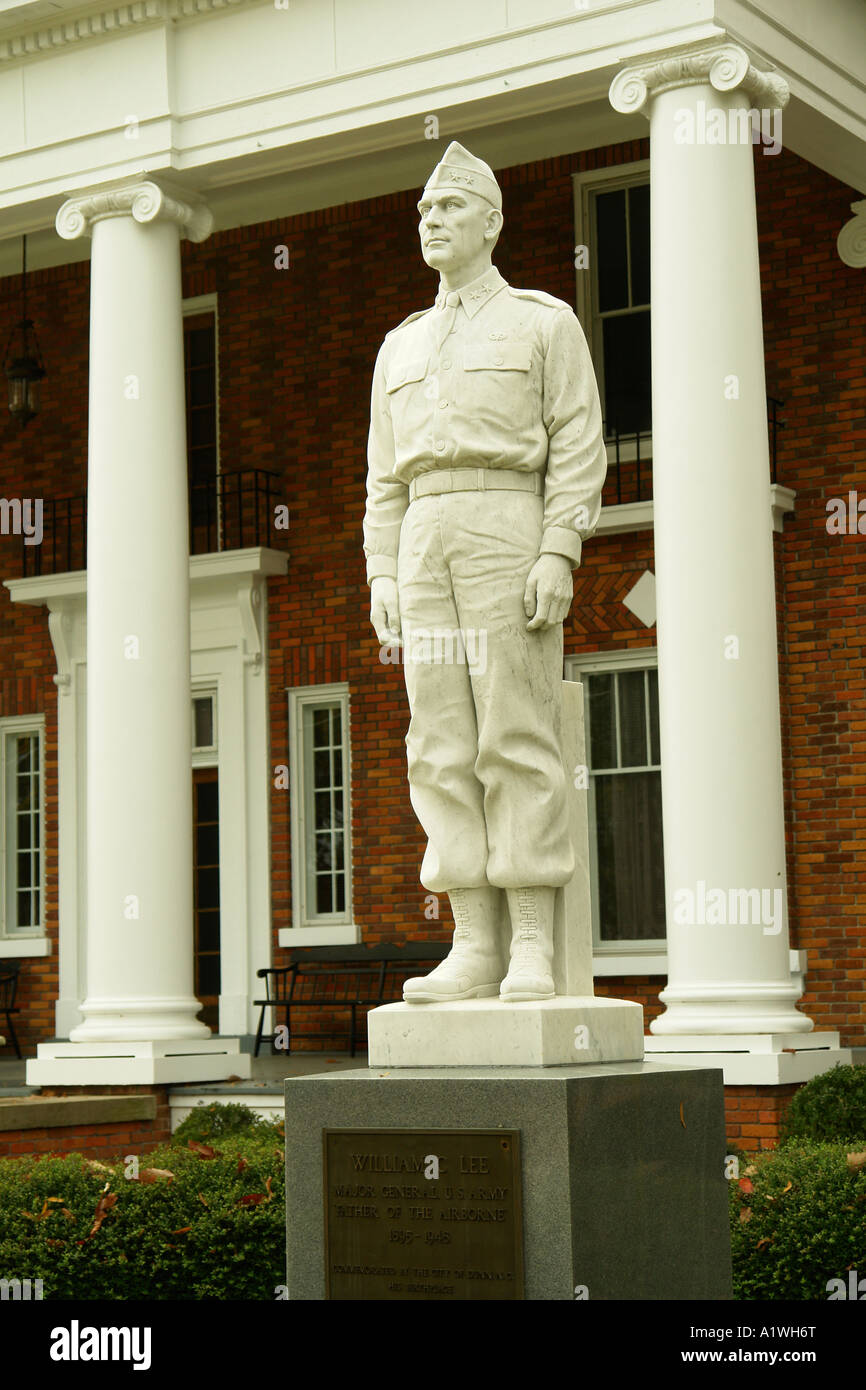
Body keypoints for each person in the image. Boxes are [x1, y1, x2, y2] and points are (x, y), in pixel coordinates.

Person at [364, 141, 606, 1003]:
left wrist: (559, 548)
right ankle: (472, 940)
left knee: (515, 726)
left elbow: (577, 440)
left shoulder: (544, 323)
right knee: (438, 739)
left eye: (450, 208)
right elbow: (383, 479)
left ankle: (531, 936)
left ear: (492, 223)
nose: (431, 221)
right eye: (425, 211)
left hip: (505, 520)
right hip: (422, 534)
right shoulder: (399, 346)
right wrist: (382, 574)